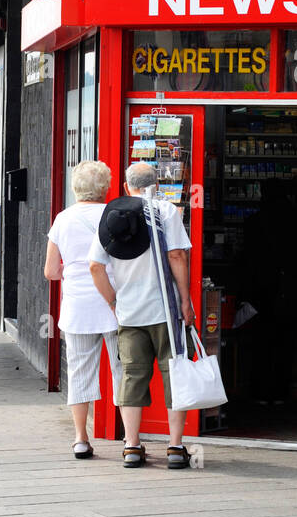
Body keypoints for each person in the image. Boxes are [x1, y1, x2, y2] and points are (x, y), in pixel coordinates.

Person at [89, 162, 195, 470]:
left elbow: (94, 266)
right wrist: (186, 301)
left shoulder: (110, 216)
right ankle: (175, 448)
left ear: (125, 187)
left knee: (133, 377)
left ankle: (132, 447)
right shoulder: (165, 211)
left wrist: (113, 301)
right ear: (157, 184)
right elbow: (176, 255)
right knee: (173, 372)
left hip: (130, 312)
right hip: (165, 310)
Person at [44, 160, 123, 460]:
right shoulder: (115, 216)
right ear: (105, 188)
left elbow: (51, 271)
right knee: (124, 372)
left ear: (75, 187)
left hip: (77, 308)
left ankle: (80, 439)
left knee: (79, 373)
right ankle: (131, 439)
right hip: (115, 305)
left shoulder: (62, 219)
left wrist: (71, 268)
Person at [237, 178, 297, 405]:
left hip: (263, 291)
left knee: (261, 344)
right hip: (292, 289)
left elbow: (246, 258)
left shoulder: (254, 222)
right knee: (286, 344)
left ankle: (259, 392)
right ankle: (280, 392)